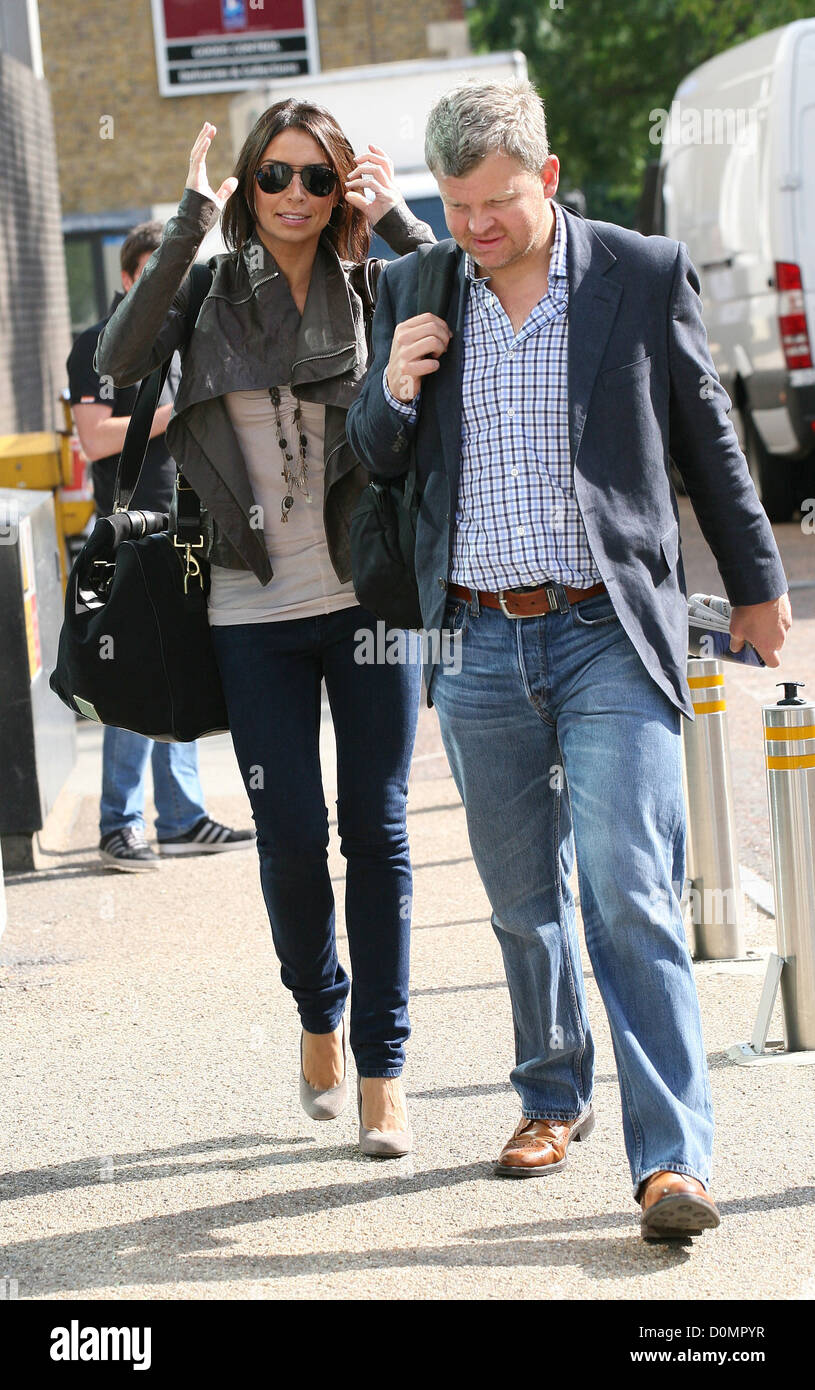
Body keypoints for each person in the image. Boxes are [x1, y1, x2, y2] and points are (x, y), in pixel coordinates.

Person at [347, 79, 791, 1236]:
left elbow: (707, 437)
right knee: (516, 901)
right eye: (453, 204)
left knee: (627, 892)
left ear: (544, 179)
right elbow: (372, 459)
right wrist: (392, 386)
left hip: (606, 630)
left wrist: (757, 586)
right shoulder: (412, 283)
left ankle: (671, 1161)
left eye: (494, 202)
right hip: (476, 636)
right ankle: (551, 1093)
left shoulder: (638, 273)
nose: (472, 227)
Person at [95, 105, 433, 1153]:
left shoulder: (377, 283)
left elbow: (470, 319)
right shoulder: (205, 290)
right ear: (249, 185)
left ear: (342, 191)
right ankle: (316, 1006)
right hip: (248, 611)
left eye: (318, 180)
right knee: (289, 836)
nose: (295, 195)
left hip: (369, 601)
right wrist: (192, 216)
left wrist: (402, 225)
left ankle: (383, 1067)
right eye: (274, 176)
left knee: (374, 830)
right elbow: (119, 353)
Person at [67, 223, 254, 872]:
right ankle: (119, 824)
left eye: (173, 278)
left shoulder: (182, 344)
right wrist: (186, 409)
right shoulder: (96, 345)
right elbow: (94, 440)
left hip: (181, 533)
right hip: (126, 537)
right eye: (152, 277)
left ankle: (179, 816)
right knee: (132, 675)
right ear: (126, 281)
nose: (165, 291)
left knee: (180, 672)